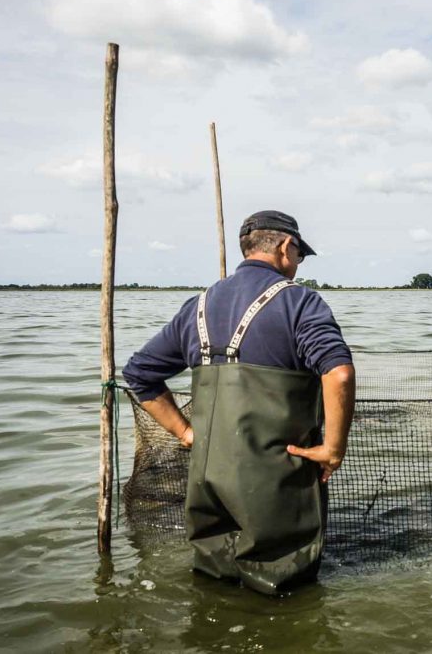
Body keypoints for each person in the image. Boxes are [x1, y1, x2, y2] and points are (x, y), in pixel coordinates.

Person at [123, 210, 355, 596]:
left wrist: (185, 432)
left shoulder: (197, 306)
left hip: (207, 479)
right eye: (299, 254)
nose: (297, 264)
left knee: (214, 584)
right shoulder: (300, 302)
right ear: (285, 246)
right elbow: (339, 374)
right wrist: (334, 447)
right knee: (284, 589)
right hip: (276, 480)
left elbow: (139, 375)